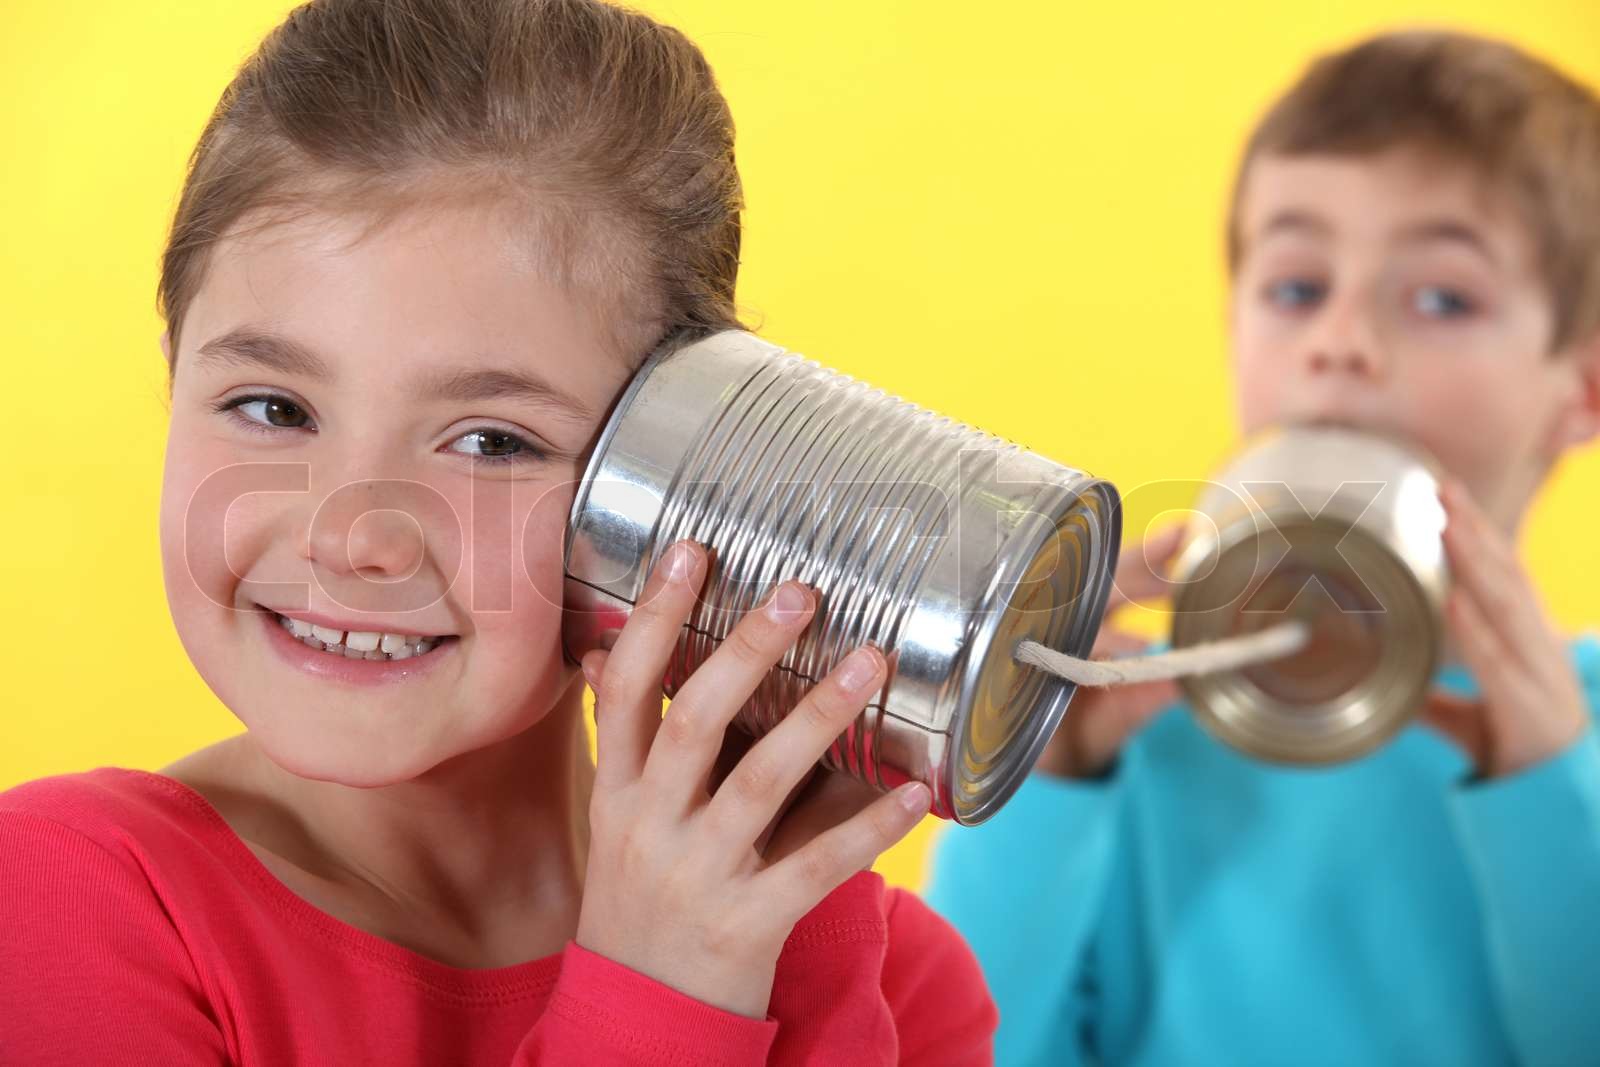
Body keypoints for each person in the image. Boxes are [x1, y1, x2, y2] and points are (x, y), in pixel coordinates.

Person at [0, 1, 997, 1062]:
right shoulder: (64, 904)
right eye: (274, 408)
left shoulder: (893, 981)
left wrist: (777, 943)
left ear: (678, 476)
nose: (353, 536)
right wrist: (659, 999)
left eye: (491, 441)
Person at [926, 29, 1600, 1067]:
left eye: (1442, 298)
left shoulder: (1583, 740)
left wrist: (1555, 791)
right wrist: (1031, 772)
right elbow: (965, 1047)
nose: (1340, 341)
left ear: (1582, 390)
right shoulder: (1124, 733)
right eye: (1295, 288)